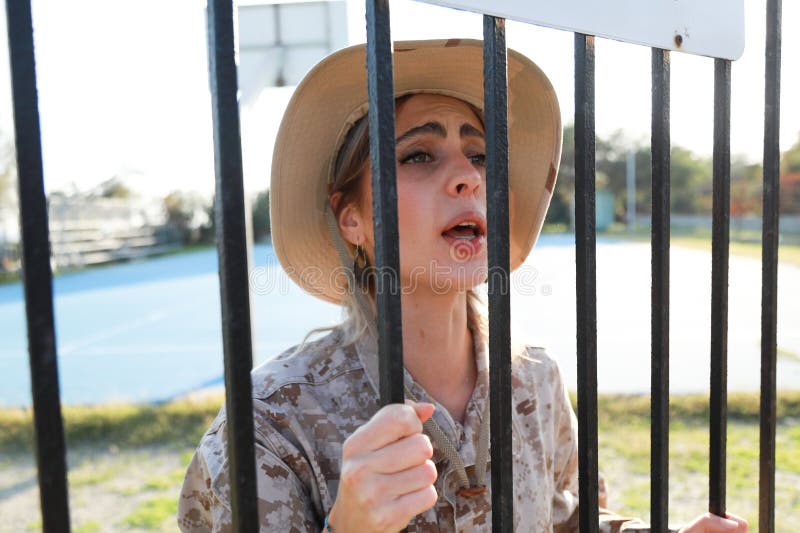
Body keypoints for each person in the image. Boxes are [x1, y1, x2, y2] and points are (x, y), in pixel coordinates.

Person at [178, 39, 747, 532]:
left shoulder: (536, 381)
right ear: (350, 217)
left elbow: (566, 519)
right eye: (419, 154)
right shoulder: (270, 425)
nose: (469, 175)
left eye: (478, 154)